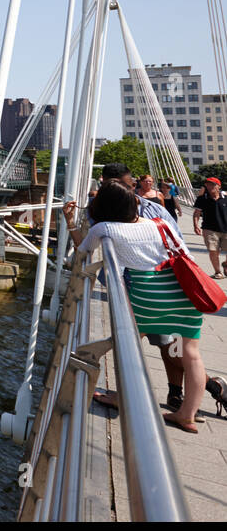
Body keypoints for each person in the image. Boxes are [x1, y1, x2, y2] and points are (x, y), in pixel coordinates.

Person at [66, 183, 207, 433]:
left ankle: (122, 397)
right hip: (185, 294)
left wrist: (70, 222)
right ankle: (187, 414)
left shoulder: (104, 227)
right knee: (192, 355)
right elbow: (187, 256)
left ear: (103, 207)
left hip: (147, 294)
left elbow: (83, 250)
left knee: (128, 347)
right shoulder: (158, 224)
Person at [193, 177, 227, 279]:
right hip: (209, 229)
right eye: (208, 184)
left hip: (226, 228)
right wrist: (196, 225)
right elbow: (197, 213)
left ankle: (225, 264)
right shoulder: (202, 199)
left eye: (213, 184)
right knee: (213, 251)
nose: (210, 186)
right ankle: (217, 272)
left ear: (219, 187)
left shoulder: (225, 197)